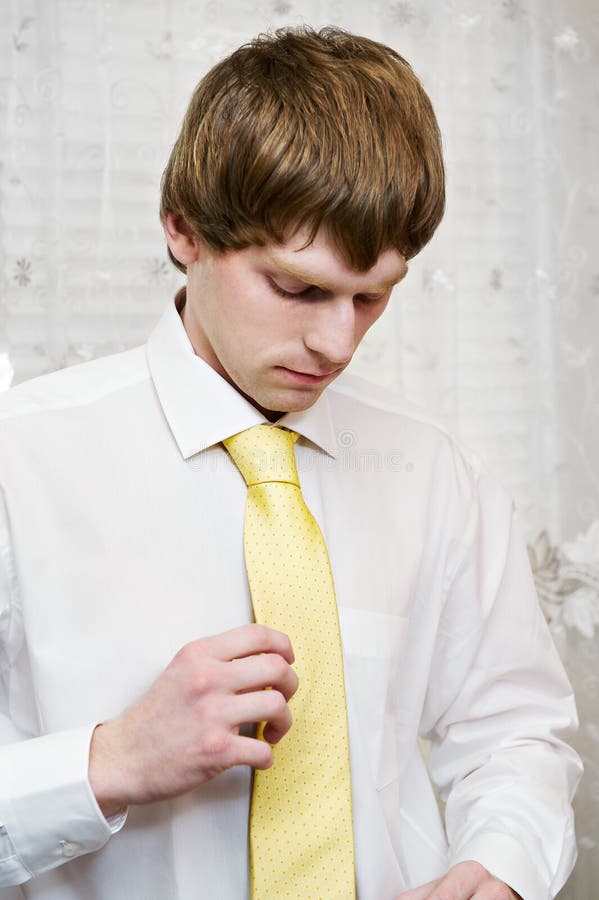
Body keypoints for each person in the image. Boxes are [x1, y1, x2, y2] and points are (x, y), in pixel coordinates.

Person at [0, 25, 581, 900]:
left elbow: (515, 732)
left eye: (372, 295)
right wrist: (109, 760)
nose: (335, 340)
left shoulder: (432, 470)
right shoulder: (21, 458)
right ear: (185, 230)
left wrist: (495, 872)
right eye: (297, 288)